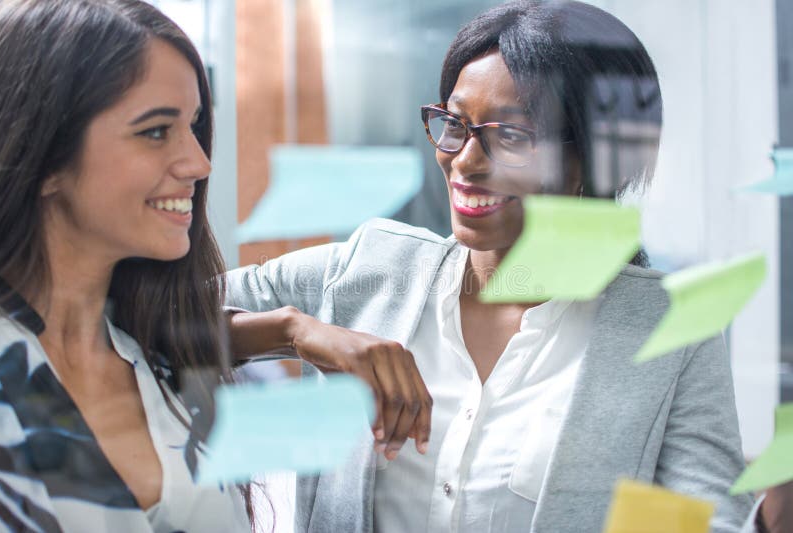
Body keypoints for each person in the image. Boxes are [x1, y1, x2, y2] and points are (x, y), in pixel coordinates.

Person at [226, 1, 781, 532]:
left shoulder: (670, 329)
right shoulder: (366, 270)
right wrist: (293, 331)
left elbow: (709, 517)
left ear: (591, 159)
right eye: (455, 123)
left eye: (512, 135)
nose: (464, 159)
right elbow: (153, 317)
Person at [0, 0, 252, 530]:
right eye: (156, 131)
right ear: (43, 159)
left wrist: (293, 331)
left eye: (194, 125)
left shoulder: (162, 366)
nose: (199, 164)